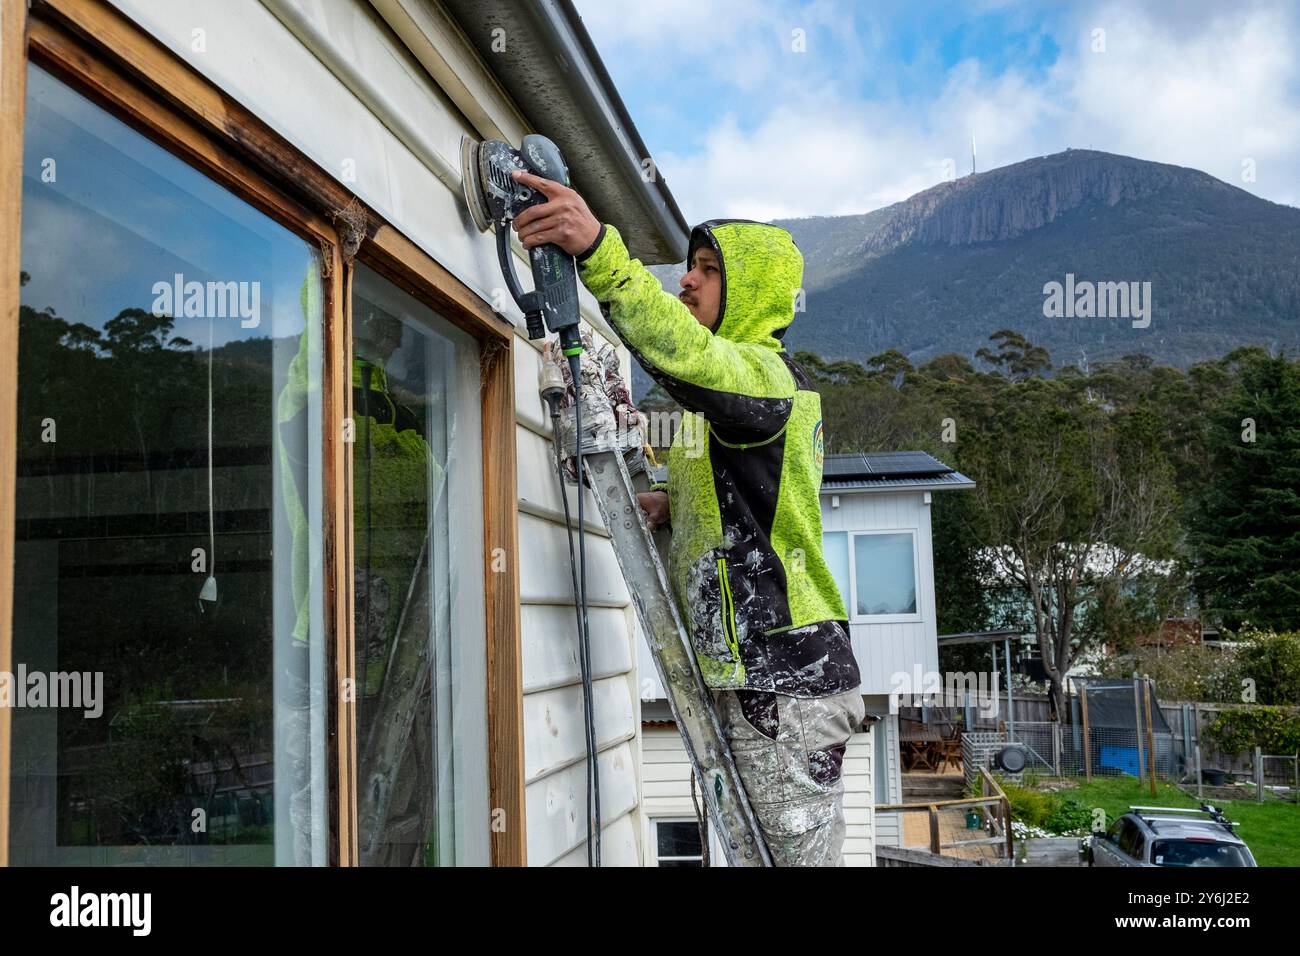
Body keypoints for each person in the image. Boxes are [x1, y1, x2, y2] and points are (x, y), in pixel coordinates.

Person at [511, 169, 864, 866]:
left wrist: (600, 254)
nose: (687, 282)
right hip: (760, 675)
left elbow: (690, 358)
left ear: (753, 294)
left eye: (707, 271)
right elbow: (757, 495)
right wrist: (671, 502)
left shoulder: (764, 379)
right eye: (692, 268)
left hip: (782, 679)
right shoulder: (732, 401)